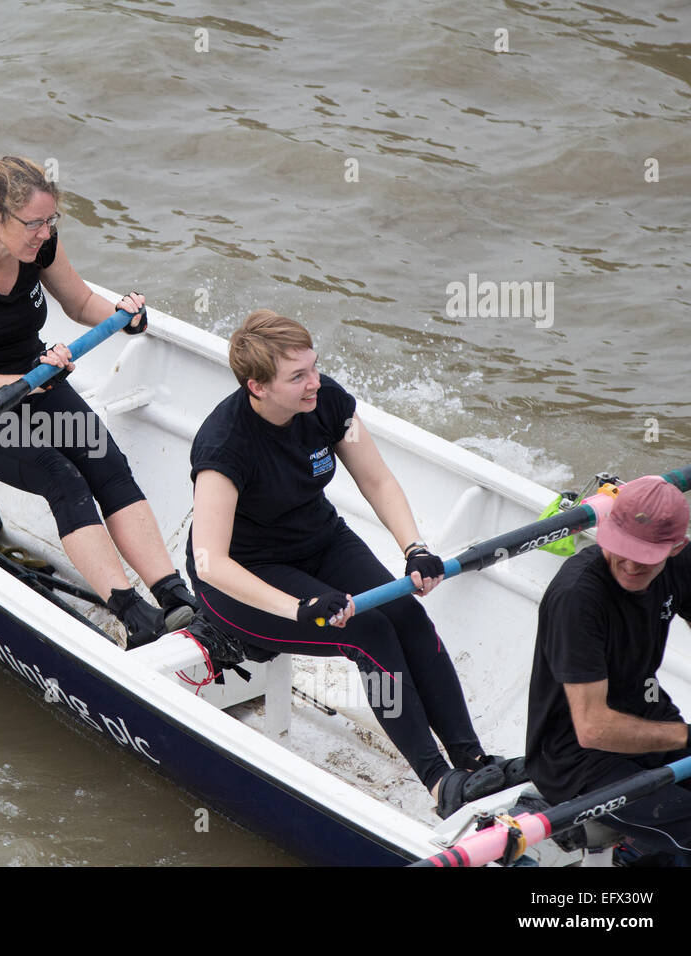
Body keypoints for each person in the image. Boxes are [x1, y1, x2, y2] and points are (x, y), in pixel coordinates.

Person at [186, 310, 514, 818]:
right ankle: (439, 784)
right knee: (369, 633)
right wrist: (300, 607)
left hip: (320, 539)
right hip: (244, 579)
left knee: (406, 614)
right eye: (297, 377)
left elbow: (377, 480)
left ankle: (473, 762)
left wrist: (415, 548)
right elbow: (211, 563)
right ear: (257, 386)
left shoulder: (326, 400)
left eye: (314, 367)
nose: (314, 382)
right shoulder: (225, 445)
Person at [0, 155, 197, 646]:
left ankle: (173, 597)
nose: (45, 234)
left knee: (106, 462)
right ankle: (132, 616)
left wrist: (122, 315)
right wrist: (24, 379)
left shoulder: (38, 247)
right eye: (34, 223)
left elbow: (80, 303)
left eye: (51, 221)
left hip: (35, 382)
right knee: (59, 476)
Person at [526, 476, 691, 863]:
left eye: (646, 555)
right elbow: (593, 729)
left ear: (676, 547)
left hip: (648, 714)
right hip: (576, 758)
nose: (630, 563)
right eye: (622, 548)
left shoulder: (685, 564)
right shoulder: (577, 597)